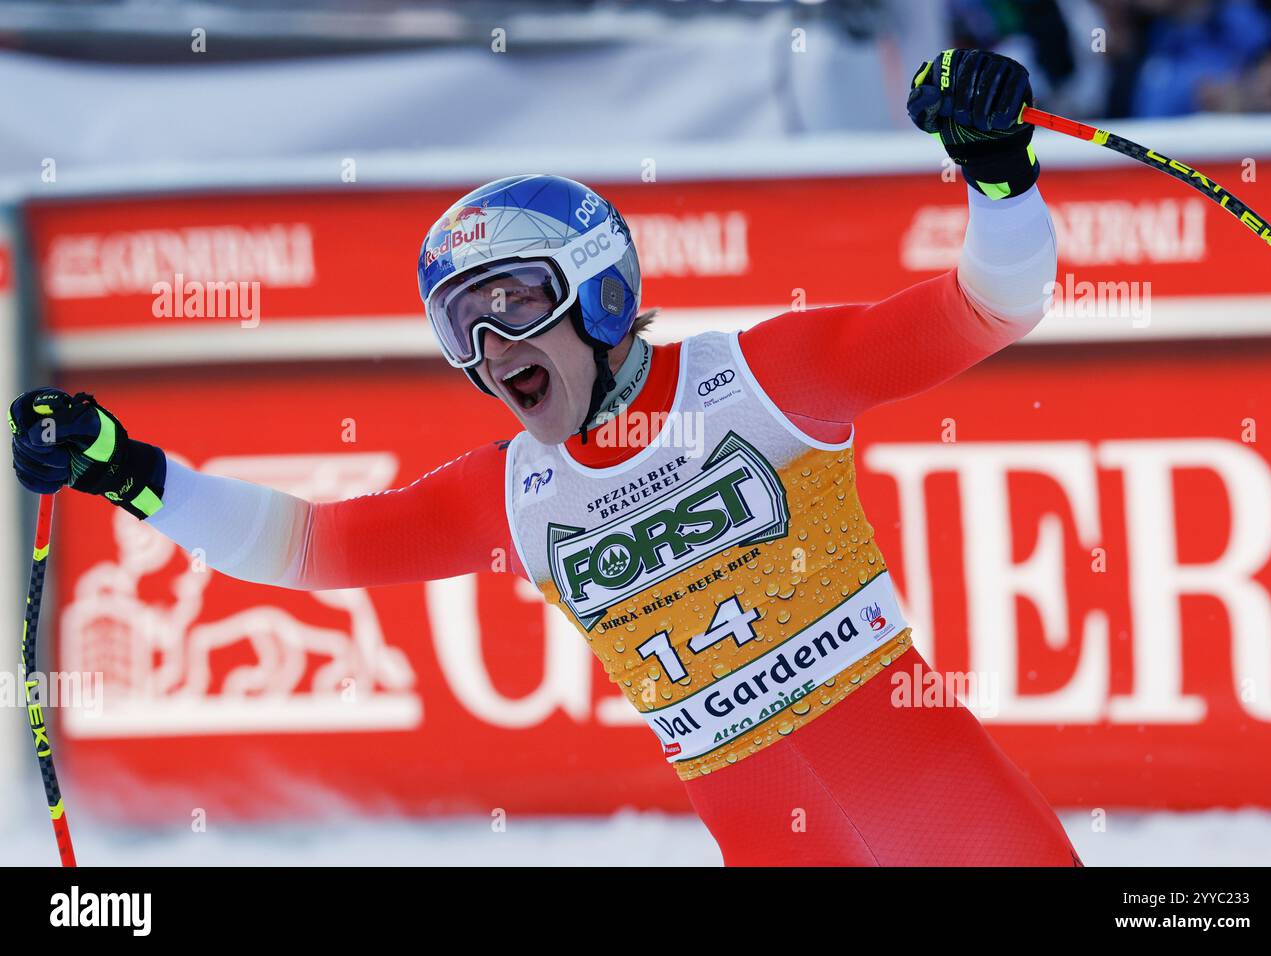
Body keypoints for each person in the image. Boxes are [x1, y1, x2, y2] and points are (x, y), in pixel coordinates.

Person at [11, 49, 1081, 866]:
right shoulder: (511, 496)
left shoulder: (764, 377)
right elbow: (308, 546)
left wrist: (998, 175)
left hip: (952, 816)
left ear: (601, 289)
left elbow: (992, 304)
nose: (489, 347)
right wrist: (124, 467)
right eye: (460, 325)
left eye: (512, 301)